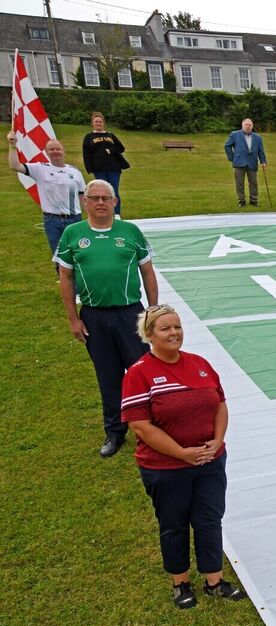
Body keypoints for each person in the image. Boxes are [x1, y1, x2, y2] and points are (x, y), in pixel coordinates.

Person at [122, 304, 249, 609]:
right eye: (165, 328)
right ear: (149, 334)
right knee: (173, 523)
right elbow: (140, 425)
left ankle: (214, 581)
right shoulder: (139, 373)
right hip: (165, 467)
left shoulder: (200, 364)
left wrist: (217, 442)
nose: (174, 332)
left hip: (209, 462)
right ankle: (180, 583)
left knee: (209, 519)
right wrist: (181, 453)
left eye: (177, 326)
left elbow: (219, 404)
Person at [54, 179, 157, 457]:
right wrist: (74, 319)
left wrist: (152, 310)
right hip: (94, 316)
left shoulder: (130, 231)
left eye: (105, 197)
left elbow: (147, 272)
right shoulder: (73, 233)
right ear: (85, 202)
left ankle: (150, 427)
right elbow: (65, 276)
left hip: (130, 313)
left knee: (141, 372)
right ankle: (114, 431)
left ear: (115, 201)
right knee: (108, 376)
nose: (100, 202)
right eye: (94, 197)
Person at [7, 131, 85, 269]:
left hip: (74, 219)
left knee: (78, 253)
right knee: (59, 255)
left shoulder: (75, 172)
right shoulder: (39, 168)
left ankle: (80, 285)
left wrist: (90, 217)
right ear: (46, 152)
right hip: (52, 220)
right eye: (51, 149)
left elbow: (83, 197)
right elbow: (15, 165)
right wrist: (12, 145)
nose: (55, 151)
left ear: (63, 151)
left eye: (58, 149)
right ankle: (64, 284)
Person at [81, 111, 128, 218]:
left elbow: (121, 148)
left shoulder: (110, 135)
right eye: (96, 121)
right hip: (99, 169)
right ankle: (104, 212)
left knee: (114, 191)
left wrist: (111, 150)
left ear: (103, 123)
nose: (98, 123)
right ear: (93, 123)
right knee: (102, 192)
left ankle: (116, 214)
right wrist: (89, 168)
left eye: (100, 121)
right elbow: (86, 153)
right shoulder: (89, 136)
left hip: (113, 168)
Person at [223, 118, 267, 207]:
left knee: (253, 183)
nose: (248, 126)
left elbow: (261, 151)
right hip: (239, 162)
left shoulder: (257, 137)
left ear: (252, 126)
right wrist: (232, 158)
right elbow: (227, 146)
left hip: (252, 163)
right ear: (242, 125)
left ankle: (254, 200)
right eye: (246, 124)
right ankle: (241, 200)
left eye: (250, 125)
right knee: (239, 183)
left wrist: (263, 161)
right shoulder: (235, 135)